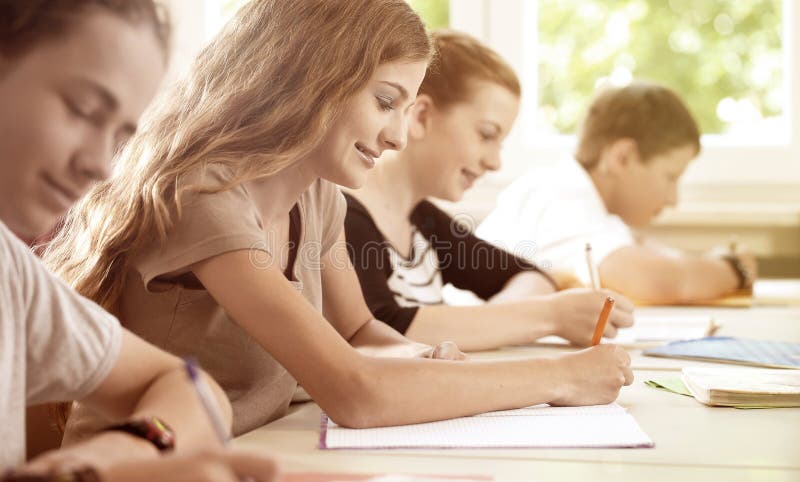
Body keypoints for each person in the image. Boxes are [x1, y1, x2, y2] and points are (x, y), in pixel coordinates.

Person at [45, 0, 633, 439]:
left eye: (406, 108)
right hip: (151, 464)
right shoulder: (205, 199)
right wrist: (561, 377)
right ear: (308, 78)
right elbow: (354, 392)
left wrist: (420, 362)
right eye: (385, 102)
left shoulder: (316, 198)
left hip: (259, 449)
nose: (398, 135)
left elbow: (358, 334)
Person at [0, 1, 277, 480]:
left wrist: (117, 454)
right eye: (84, 110)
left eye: (119, 138)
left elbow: (188, 384)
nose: (101, 167)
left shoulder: (11, 272)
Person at [344, 30, 634, 351]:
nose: (496, 162)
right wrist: (548, 317)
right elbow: (382, 331)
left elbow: (528, 275)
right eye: (486, 135)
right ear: (422, 116)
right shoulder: (345, 216)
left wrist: (501, 322)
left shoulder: (423, 222)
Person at [477, 82, 758, 304]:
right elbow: (652, 279)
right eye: (670, 177)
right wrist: (735, 270)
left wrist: (706, 262)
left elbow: (655, 254)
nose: (674, 199)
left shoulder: (584, 204)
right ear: (622, 157)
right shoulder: (562, 198)